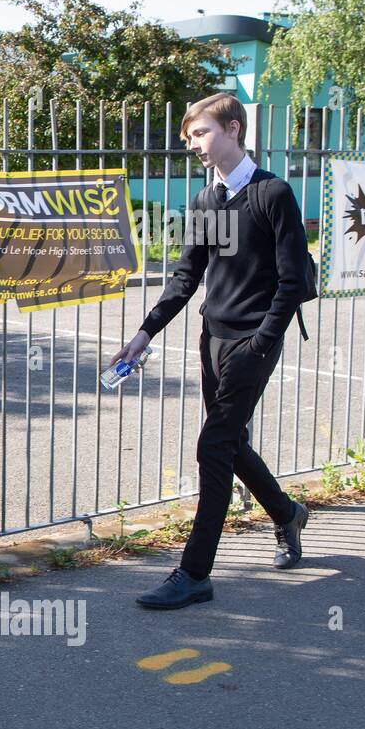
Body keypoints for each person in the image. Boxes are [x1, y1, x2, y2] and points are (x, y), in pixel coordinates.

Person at [111, 93, 311, 609]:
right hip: (213, 339)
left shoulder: (272, 194)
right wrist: (144, 333)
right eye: (189, 138)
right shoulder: (207, 201)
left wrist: (262, 342)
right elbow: (186, 277)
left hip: (253, 342)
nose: (193, 145)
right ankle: (287, 513)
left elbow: (291, 282)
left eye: (200, 133)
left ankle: (195, 573)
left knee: (213, 446)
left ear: (233, 130)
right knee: (230, 443)